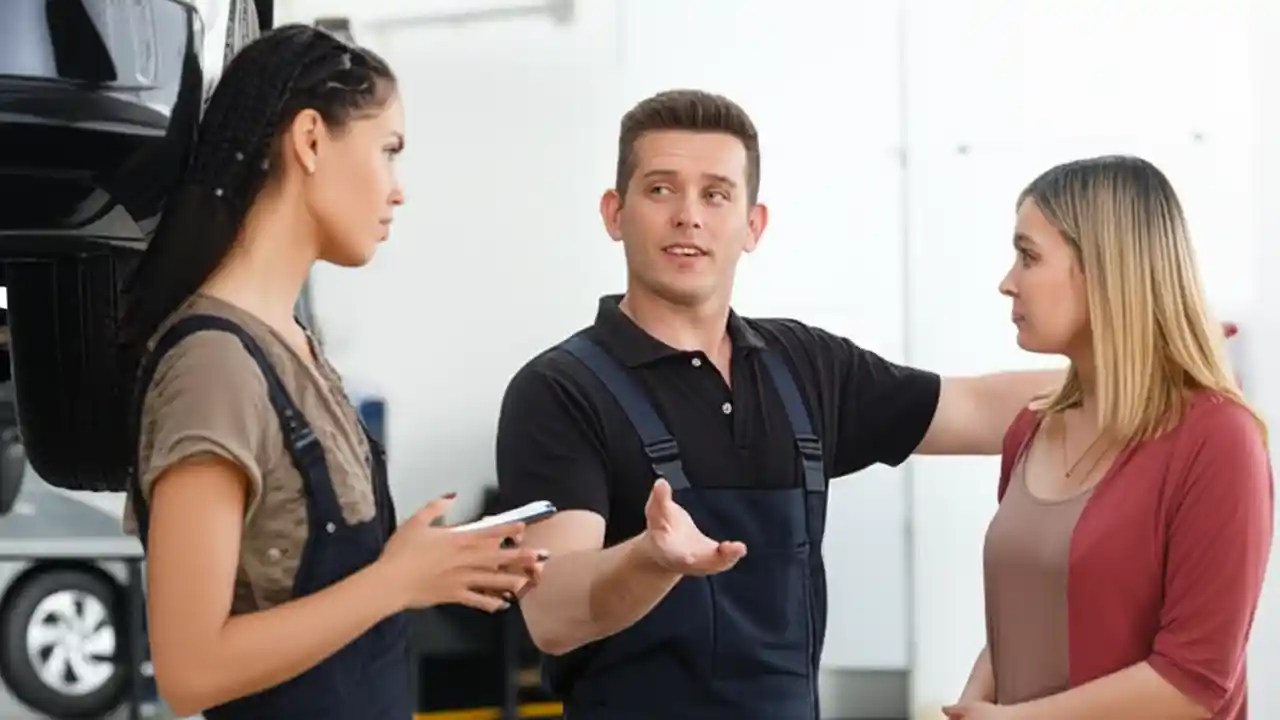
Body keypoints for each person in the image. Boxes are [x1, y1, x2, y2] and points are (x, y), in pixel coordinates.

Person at [494, 89, 1061, 719]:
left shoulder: (804, 367)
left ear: (753, 225)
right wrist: (650, 560)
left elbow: (978, 408)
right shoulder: (559, 392)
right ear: (614, 213)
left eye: (715, 194)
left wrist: (1152, 377)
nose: (689, 216)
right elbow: (553, 615)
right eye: (660, 189)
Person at [120, 25, 545, 719]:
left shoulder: (291, 343)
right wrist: (394, 582)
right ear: (311, 140)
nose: (398, 191)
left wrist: (435, 567)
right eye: (389, 151)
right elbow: (190, 669)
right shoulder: (214, 367)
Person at [943, 156, 1274, 720]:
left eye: (1028, 257)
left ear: (1103, 271)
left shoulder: (1218, 441)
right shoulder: (1031, 429)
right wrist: (973, 701)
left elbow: (1193, 683)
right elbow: (1021, 619)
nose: (1007, 281)